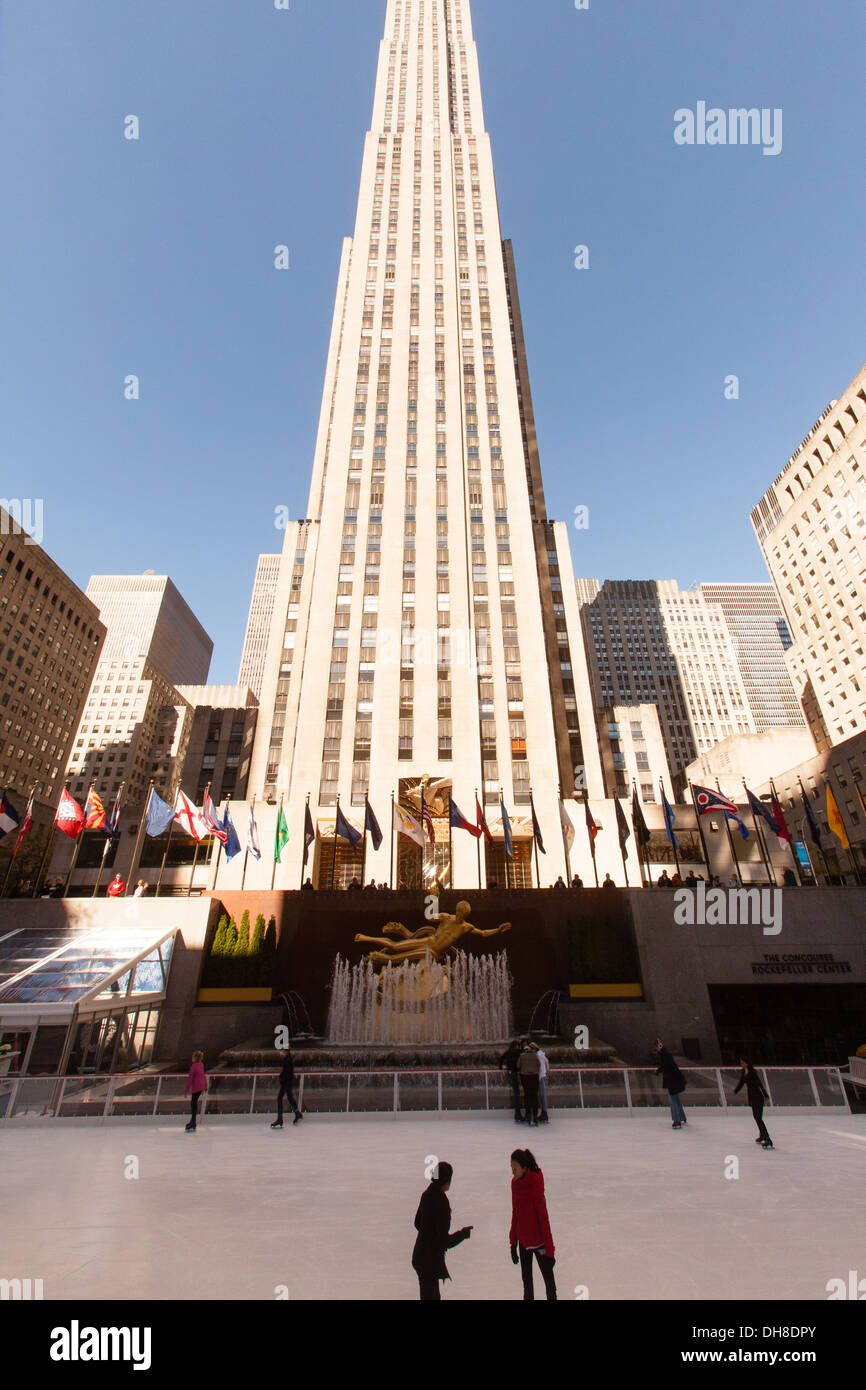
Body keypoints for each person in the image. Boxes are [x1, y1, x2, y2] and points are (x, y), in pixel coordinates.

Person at [411, 1161, 472, 1300]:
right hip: (429, 1262)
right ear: (447, 1180)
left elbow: (417, 1223)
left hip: (421, 1256)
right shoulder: (441, 1202)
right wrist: (462, 1234)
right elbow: (444, 1242)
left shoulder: (427, 1194)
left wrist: (428, 1235)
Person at [509, 1149, 557, 1301]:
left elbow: (544, 1220)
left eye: (515, 1169)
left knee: (550, 1287)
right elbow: (515, 1213)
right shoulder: (514, 1184)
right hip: (524, 1243)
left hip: (540, 1243)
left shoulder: (535, 1186)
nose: (512, 1173)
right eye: (511, 1168)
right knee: (527, 1287)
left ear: (524, 1168)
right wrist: (513, 1242)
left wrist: (550, 1251)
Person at [733, 1057, 773, 1148]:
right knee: (757, 1117)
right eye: (740, 1063)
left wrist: (765, 1094)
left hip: (758, 1097)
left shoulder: (751, 1072)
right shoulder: (745, 1072)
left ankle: (768, 1139)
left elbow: (759, 1084)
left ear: (747, 1063)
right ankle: (763, 1135)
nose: (741, 1065)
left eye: (742, 1063)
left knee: (758, 1118)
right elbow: (742, 1082)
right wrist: (736, 1090)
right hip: (753, 1097)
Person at [655, 1039, 687, 1128]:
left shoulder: (665, 1055)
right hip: (673, 1079)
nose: (657, 1049)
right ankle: (681, 1117)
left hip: (672, 1080)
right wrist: (660, 1069)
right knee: (675, 1098)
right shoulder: (665, 1055)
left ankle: (677, 1120)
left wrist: (660, 1070)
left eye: (657, 1047)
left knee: (673, 1099)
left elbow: (667, 1065)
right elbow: (667, 1064)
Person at [270, 1047, 303, 1128]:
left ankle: (280, 1119)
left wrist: (281, 1078)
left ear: (286, 1052)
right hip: (288, 1082)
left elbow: (287, 1072)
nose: (281, 1052)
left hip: (286, 1083)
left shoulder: (287, 1060)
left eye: (283, 1051)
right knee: (290, 1098)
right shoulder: (288, 1059)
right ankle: (297, 1113)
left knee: (279, 1099)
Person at [499, 1038, 524, 1123]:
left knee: (516, 1092)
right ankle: (518, 1114)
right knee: (518, 1093)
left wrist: (501, 1067)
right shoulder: (518, 1052)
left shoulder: (508, 1052)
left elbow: (501, 1058)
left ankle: (517, 1114)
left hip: (510, 1072)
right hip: (516, 1073)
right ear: (516, 1046)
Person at [518, 1040, 541, 1126]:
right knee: (534, 1096)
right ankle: (535, 1116)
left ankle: (528, 1115)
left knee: (527, 1096)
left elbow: (518, 1066)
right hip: (534, 1077)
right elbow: (539, 1065)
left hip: (525, 1078)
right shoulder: (535, 1056)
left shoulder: (522, 1056)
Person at [184, 1050, 207, 1132]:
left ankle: (193, 1122)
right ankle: (193, 1121)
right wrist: (205, 1085)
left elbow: (190, 1079)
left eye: (193, 1056)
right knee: (194, 1104)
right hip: (201, 1087)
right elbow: (203, 1075)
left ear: (195, 1057)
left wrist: (186, 1090)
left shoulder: (194, 1066)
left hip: (197, 1087)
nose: (192, 1058)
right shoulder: (201, 1065)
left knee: (193, 1104)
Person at [533, 1042, 550, 1123]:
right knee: (542, 1095)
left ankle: (544, 1113)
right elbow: (547, 1062)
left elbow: (540, 1067)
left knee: (542, 1095)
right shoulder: (541, 1054)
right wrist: (547, 1070)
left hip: (540, 1077)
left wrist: (539, 1076)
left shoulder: (538, 1055)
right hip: (543, 1076)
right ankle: (544, 1113)